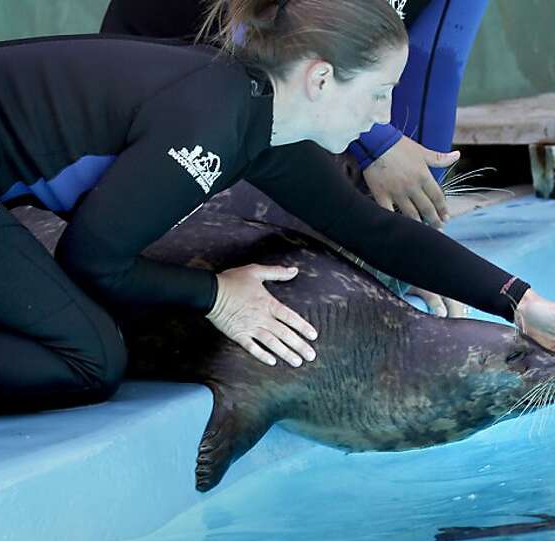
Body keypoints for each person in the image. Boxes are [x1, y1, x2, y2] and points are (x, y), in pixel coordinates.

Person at [0, 0, 555, 411]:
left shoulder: (262, 119)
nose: (384, 119)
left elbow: (373, 230)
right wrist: (218, 295)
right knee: (89, 359)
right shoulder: (208, 120)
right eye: (378, 95)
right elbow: (92, 258)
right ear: (320, 79)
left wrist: (521, 301)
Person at [101, 0, 489, 316]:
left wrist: (414, 244)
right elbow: (254, 35)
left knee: (343, 241)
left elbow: (438, 63)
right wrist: (377, 143)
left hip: (266, 111)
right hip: (160, 108)